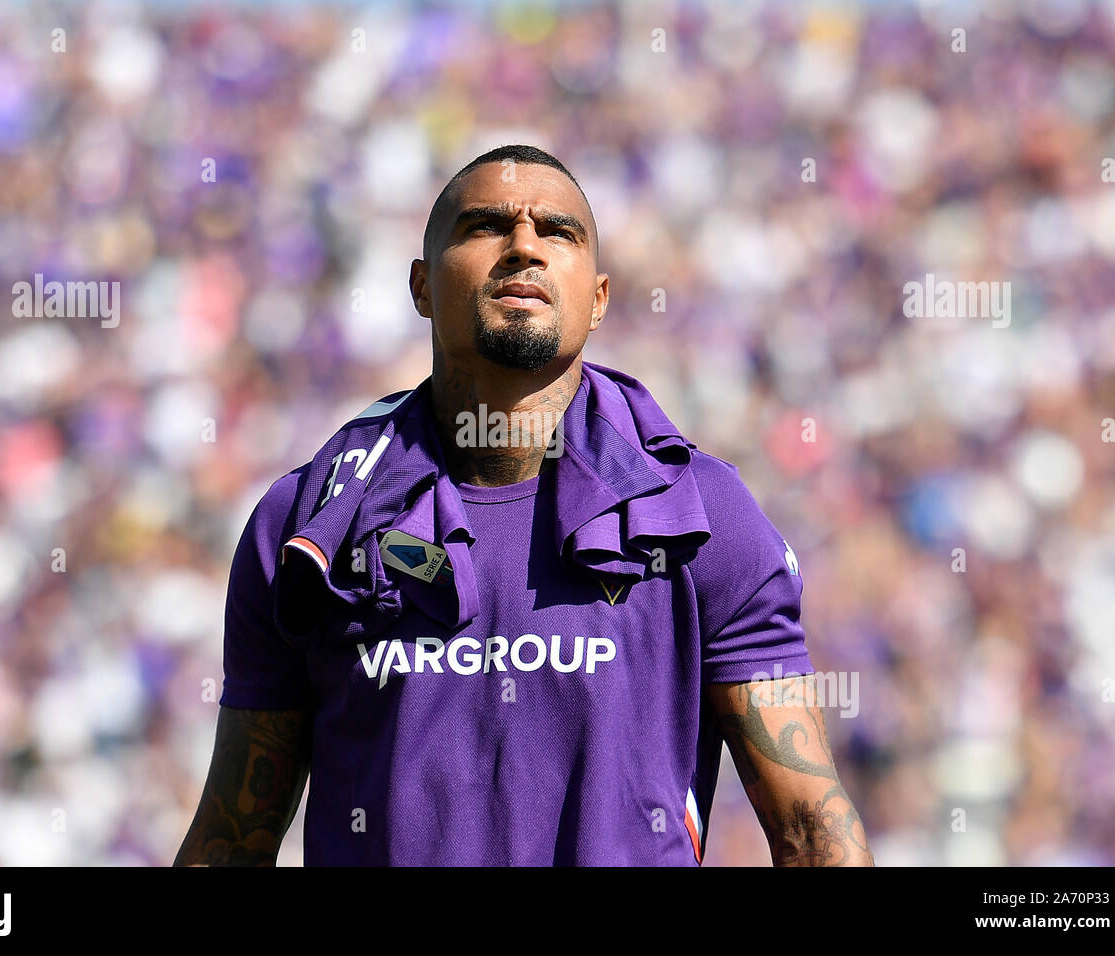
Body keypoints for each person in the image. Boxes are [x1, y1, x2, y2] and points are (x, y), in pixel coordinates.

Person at [174, 144, 873, 866]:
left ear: (599, 298)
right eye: (485, 226)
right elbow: (230, 843)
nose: (524, 247)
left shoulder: (699, 515)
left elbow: (813, 832)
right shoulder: (308, 527)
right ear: (420, 286)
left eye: (558, 231)